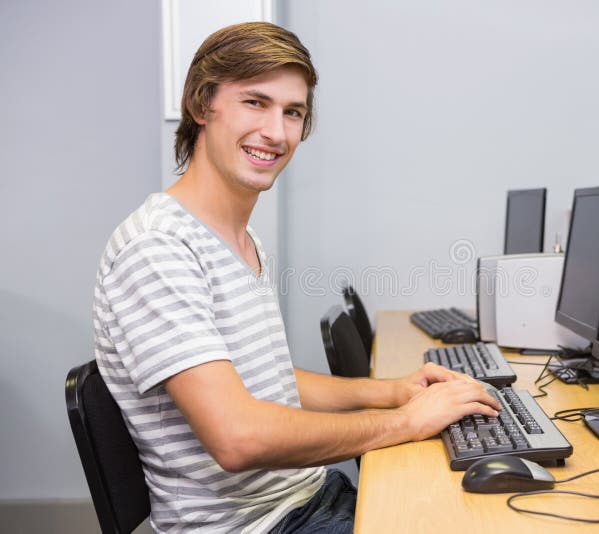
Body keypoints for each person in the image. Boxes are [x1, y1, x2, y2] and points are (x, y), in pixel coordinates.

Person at [93, 21, 500, 533]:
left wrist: (393, 391)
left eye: (293, 113)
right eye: (255, 103)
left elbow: (269, 383)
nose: (277, 133)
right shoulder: (159, 248)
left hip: (305, 496)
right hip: (258, 526)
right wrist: (405, 422)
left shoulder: (240, 239)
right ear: (201, 106)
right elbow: (238, 437)